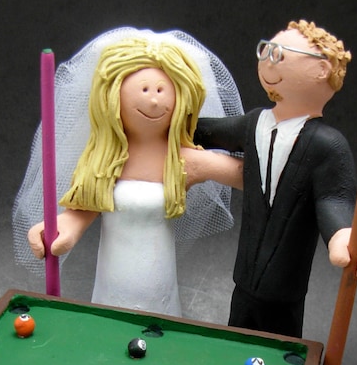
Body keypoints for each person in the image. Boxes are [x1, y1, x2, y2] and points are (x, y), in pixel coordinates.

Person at [14, 29, 244, 316]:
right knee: (110, 325)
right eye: (144, 90)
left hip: (157, 277)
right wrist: (64, 229)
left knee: (158, 325)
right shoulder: (106, 161)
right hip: (113, 276)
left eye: (161, 90)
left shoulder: (182, 161)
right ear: (111, 97)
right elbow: (84, 210)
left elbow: (243, 175)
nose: (154, 101)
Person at [194, 20, 357, 337]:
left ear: (321, 70)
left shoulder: (328, 145)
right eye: (266, 50)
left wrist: (345, 237)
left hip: (285, 291)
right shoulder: (253, 123)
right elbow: (207, 132)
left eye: (279, 54)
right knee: (235, 343)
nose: (268, 61)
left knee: (280, 351)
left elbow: (333, 200)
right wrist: (165, 118)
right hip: (244, 279)